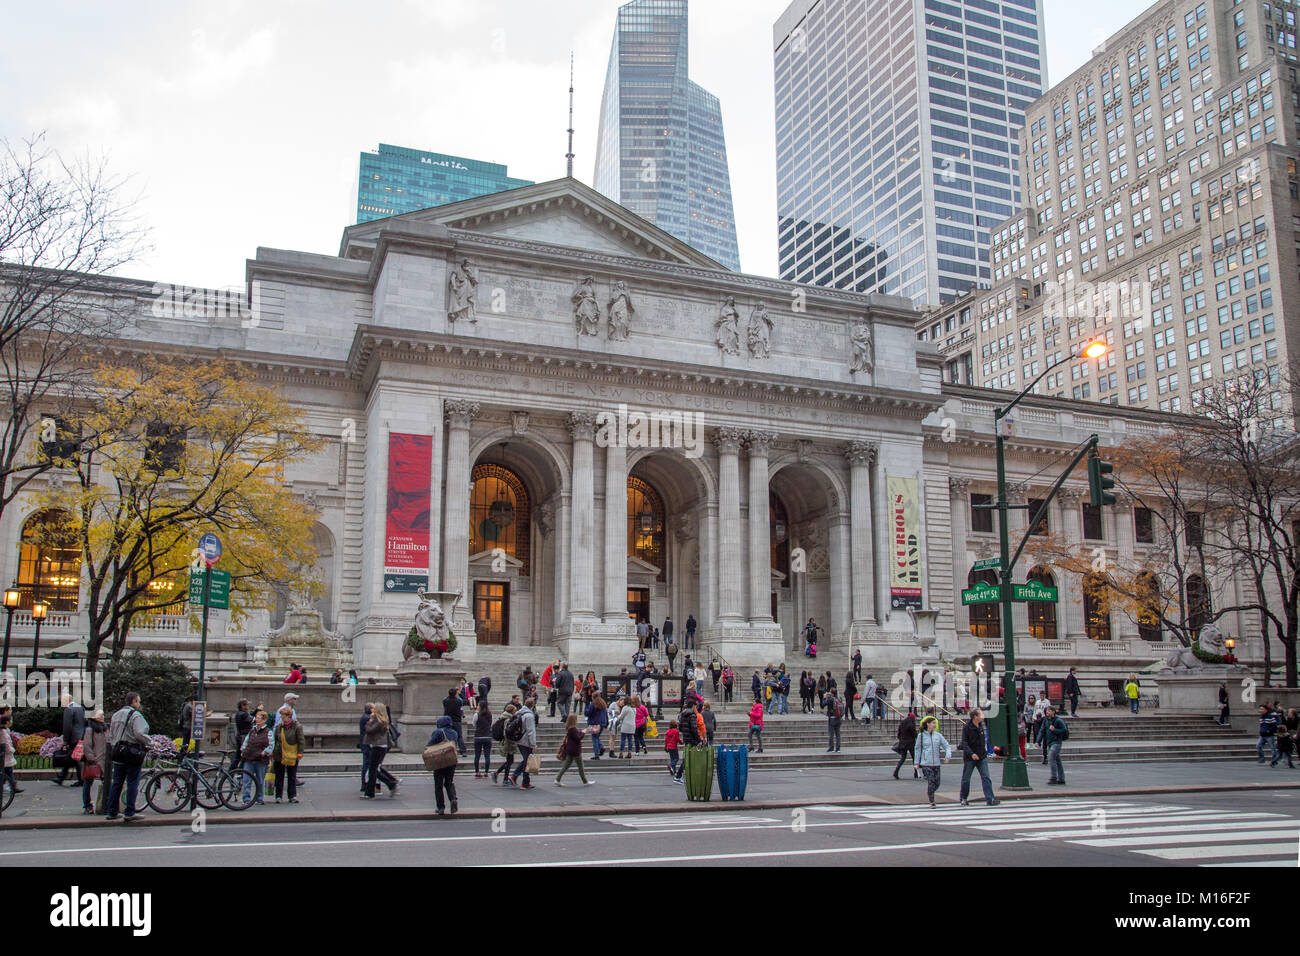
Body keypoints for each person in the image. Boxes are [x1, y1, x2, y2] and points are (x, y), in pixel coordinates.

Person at [105, 692, 152, 822]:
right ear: (133, 701)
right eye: (138, 701)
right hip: (132, 752)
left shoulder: (116, 715)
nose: (139, 704)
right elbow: (139, 733)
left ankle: (112, 811)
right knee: (132, 782)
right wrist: (151, 742)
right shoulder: (136, 715)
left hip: (119, 752)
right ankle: (130, 812)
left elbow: (111, 735)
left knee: (117, 783)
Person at [958, 708, 999, 807]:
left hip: (981, 755)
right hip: (970, 757)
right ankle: (963, 798)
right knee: (966, 778)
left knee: (986, 777)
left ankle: (990, 798)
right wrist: (971, 753)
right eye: (981, 714)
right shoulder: (967, 727)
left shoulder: (980, 725)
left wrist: (984, 753)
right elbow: (964, 742)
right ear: (975, 717)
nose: (983, 716)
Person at [425, 715, 459, 816]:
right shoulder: (454, 732)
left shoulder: (438, 732)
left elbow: (430, 744)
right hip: (452, 760)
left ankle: (441, 807)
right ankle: (453, 798)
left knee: (438, 784)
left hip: (440, 761)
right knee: (449, 782)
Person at [914, 715, 952, 808]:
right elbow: (917, 749)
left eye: (935, 723)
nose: (935, 725)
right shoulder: (921, 736)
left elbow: (946, 746)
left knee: (937, 782)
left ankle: (930, 792)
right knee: (931, 780)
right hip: (926, 762)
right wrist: (916, 763)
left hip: (936, 762)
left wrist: (948, 756)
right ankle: (932, 800)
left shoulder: (938, 736)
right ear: (928, 724)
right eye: (933, 723)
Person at [272, 705, 305, 804]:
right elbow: (275, 740)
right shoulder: (279, 727)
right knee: (279, 776)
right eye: (281, 716)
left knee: (292, 775)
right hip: (279, 753)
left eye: (283, 716)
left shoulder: (297, 726)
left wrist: (300, 753)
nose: (281, 718)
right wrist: (273, 752)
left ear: (289, 716)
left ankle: (292, 796)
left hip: (292, 754)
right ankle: (278, 796)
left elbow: (301, 741)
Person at [238, 707, 271, 805]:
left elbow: (271, 745)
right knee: (246, 779)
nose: (256, 719)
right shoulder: (252, 730)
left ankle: (259, 798)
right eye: (256, 717)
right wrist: (243, 750)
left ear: (264, 720)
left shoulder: (268, 732)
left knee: (260, 780)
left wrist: (264, 752)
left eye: (259, 718)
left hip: (261, 759)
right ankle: (246, 798)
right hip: (249, 757)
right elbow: (246, 741)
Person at [78, 709, 108, 815]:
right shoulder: (90, 730)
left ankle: (106, 804)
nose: (103, 716)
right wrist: (92, 758)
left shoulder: (105, 728)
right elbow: (87, 746)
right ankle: (87, 805)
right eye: (100, 714)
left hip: (104, 761)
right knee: (88, 783)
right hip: (94, 761)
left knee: (106, 783)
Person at [362, 703, 394, 799]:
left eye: (375, 709)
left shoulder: (379, 721)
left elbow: (369, 730)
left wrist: (370, 721)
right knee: (374, 769)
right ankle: (390, 784)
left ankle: (370, 792)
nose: (373, 710)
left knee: (373, 770)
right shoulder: (383, 720)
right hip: (380, 746)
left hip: (377, 746)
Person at [55, 693, 87, 786]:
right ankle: (61, 777)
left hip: (73, 737)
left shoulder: (69, 709)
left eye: (62, 701)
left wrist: (65, 740)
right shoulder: (80, 708)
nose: (61, 703)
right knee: (72, 756)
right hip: (81, 736)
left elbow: (67, 726)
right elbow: (83, 722)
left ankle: (81, 779)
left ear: (68, 700)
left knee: (75, 758)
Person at [507, 697, 538, 790]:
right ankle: (525, 783)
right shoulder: (529, 715)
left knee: (526, 760)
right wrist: (533, 744)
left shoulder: (519, 712)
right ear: (532, 706)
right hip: (526, 741)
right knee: (527, 762)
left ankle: (514, 776)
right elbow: (531, 731)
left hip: (519, 739)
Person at [555, 713, 591, 786]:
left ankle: (557, 779)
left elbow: (576, 736)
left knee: (566, 765)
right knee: (580, 766)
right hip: (575, 750)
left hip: (570, 749)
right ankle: (585, 781)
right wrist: (583, 733)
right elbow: (578, 738)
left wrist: (580, 732)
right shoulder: (573, 729)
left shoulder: (569, 728)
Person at [1043, 706, 1068, 784]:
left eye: (1049, 711)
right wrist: (1038, 741)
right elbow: (1042, 730)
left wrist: (1055, 730)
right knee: (1057, 761)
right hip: (1050, 742)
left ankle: (1054, 777)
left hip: (1057, 742)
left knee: (1051, 758)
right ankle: (1061, 778)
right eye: (1047, 711)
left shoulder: (1058, 720)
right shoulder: (1046, 720)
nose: (1047, 713)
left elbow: (1064, 730)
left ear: (1053, 712)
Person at [443, 686, 468, 757]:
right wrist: (460, 694)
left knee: (449, 737)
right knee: (459, 736)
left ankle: (451, 751)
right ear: (455, 694)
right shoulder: (459, 701)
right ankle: (463, 751)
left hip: (448, 720)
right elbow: (465, 700)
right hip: (457, 720)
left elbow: (444, 701)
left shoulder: (445, 701)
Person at [471, 700, 493, 778]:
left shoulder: (477, 715)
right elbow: (491, 724)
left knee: (477, 755)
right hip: (487, 736)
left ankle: (477, 772)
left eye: (478, 705)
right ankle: (486, 772)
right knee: (487, 756)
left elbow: (473, 724)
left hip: (478, 736)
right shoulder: (490, 714)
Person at [893, 710, 918, 779]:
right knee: (914, 758)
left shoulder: (902, 723)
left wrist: (901, 739)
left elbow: (899, 734)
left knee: (903, 758)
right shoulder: (912, 724)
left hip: (903, 743)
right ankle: (916, 773)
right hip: (911, 743)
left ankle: (896, 772)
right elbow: (914, 733)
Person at [0, 713, 19, 797]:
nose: (12, 721)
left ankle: (12, 786)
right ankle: (13, 787)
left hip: (5, 757)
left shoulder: (4, 730)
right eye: (11, 720)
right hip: (6, 757)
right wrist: (12, 750)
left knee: (7, 773)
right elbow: (6, 744)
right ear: (7, 722)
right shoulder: (3, 732)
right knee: (8, 772)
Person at [585, 693, 608, 759]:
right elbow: (605, 714)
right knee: (596, 737)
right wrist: (606, 724)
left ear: (593, 697)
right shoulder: (603, 703)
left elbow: (588, 713)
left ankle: (596, 754)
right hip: (602, 723)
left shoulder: (593, 704)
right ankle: (601, 747)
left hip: (594, 723)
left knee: (594, 738)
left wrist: (586, 706)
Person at [823, 687, 844, 753]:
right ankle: (838, 748)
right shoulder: (839, 699)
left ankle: (831, 747)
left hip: (832, 718)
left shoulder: (830, 699)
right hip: (839, 718)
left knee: (831, 733)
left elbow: (823, 704)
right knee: (838, 734)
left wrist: (825, 697)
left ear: (832, 693)